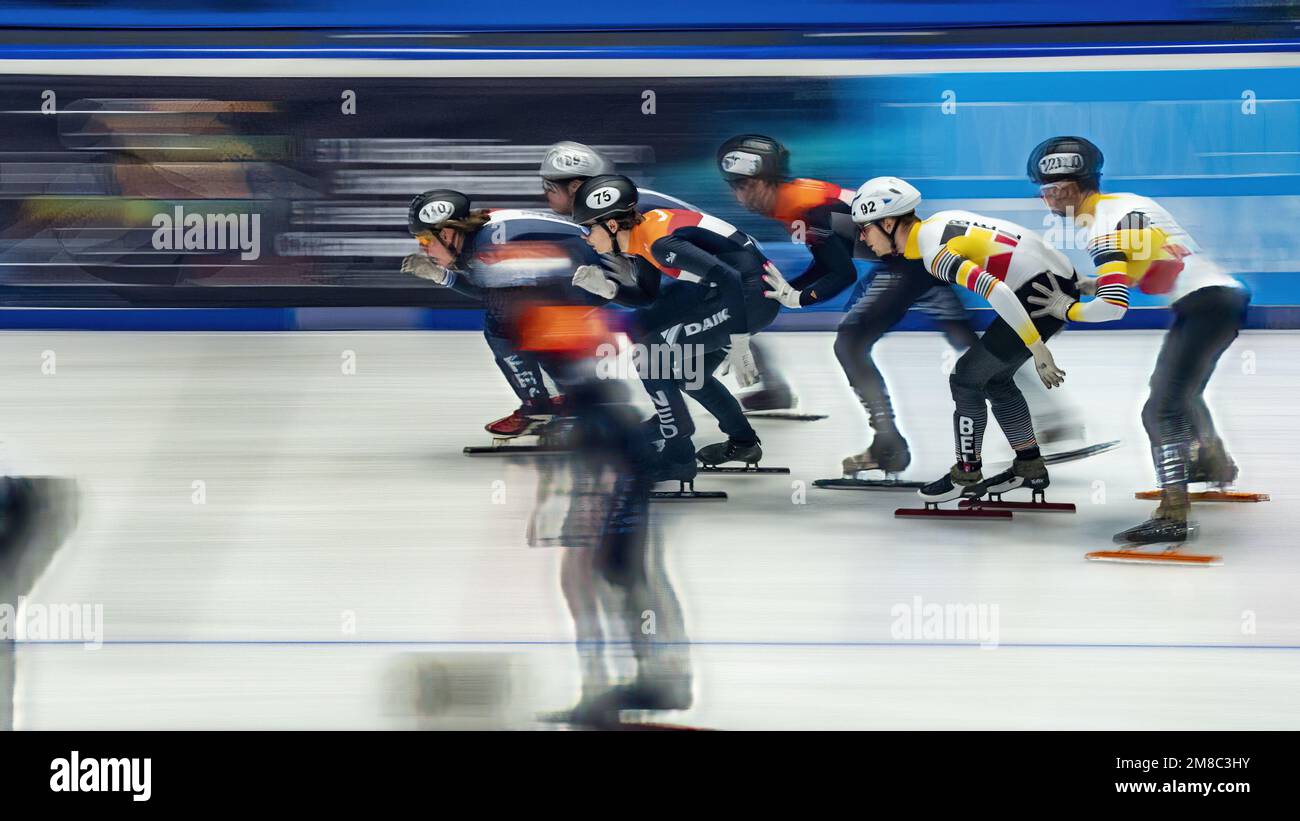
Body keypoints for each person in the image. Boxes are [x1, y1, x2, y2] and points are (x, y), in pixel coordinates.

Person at [1025, 136, 1250, 544]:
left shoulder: (1098, 228)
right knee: (1181, 392)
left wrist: (1064, 307)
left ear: (1065, 191)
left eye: (1048, 192)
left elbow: (1113, 306)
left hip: (1202, 305)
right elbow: (1157, 264)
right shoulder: (1129, 203)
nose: (1047, 201)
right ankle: (1212, 462)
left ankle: (1173, 513)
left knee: (1160, 410)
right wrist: (1091, 282)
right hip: (1222, 297)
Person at [717, 134, 978, 475]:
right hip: (923, 260)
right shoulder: (800, 198)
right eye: (733, 187)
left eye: (745, 186)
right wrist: (787, 292)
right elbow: (830, 264)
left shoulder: (806, 206)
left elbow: (840, 273)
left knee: (851, 344)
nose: (739, 197)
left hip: (909, 265)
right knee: (967, 343)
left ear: (765, 180)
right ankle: (1047, 420)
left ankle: (888, 444)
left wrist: (795, 297)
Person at [849, 176, 1072, 504]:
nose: (862, 238)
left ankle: (967, 475)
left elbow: (997, 290)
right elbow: (1021, 240)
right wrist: (1075, 283)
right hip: (1051, 285)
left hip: (1036, 298)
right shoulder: (939, 222)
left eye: (865, 229)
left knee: (966, 379)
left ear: (887, 223)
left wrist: (1038, 348)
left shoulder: (935, 254)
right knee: (995, 380)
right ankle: (1029, 466)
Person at [543, 140, 801, 415]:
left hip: (715, 265)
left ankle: (661, 415)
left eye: (549, 186)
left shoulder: (620, 208)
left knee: (659, 327)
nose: (544, 193)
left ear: (574, 187)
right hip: (703, 265)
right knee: (657, 322)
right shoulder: (610, 205)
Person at [567, 174, 780, 477]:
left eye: (589, 228)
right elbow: (647, 296)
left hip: (747, 298)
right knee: (684, 370)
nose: (587, 238)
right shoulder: (641, 237)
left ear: (612, 225)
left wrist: (741, 341)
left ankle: (677, 452)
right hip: (738, 295)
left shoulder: (659, 242)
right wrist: (609, 289)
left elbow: (729, 278)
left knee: (652, 354)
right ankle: (742, 442)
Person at [400, 188, 606, 439]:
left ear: (446, 233)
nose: (424, 251)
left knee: (503, 324)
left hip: (595, 276)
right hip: (583, 272)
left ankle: (562, 406)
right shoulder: (480, 235)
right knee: (509, 320)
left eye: (424, 241)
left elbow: (491, 293)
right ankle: (554, 403)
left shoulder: (488, 248)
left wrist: (444, 277)